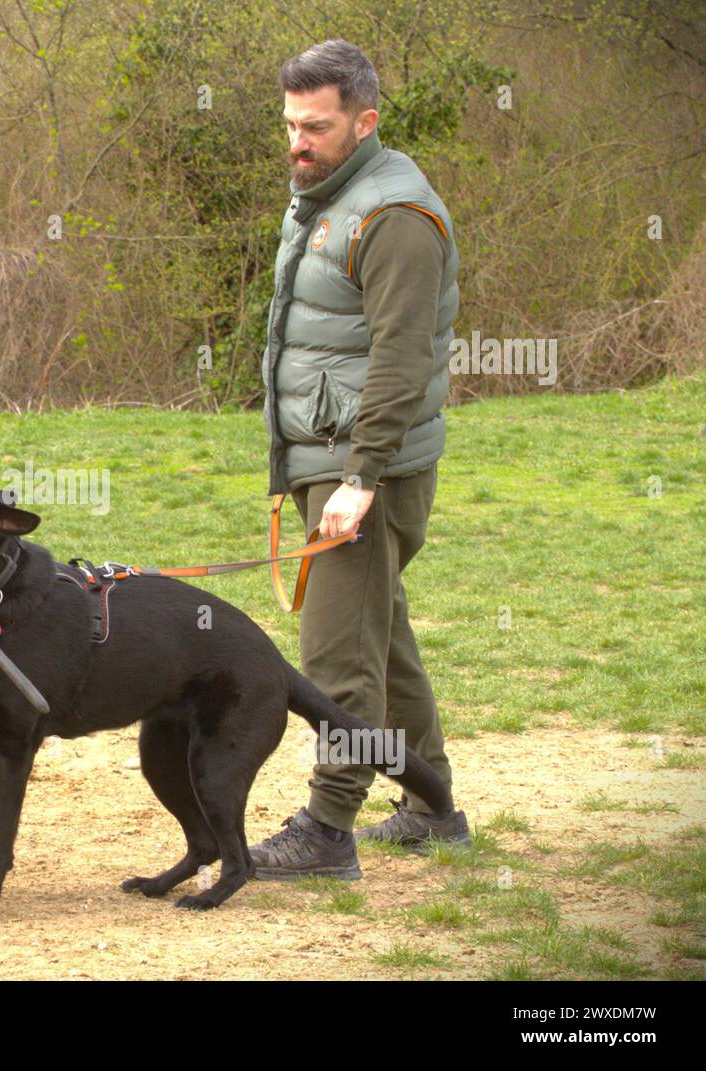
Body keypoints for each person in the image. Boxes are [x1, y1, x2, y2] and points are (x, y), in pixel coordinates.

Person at [249, 39, 471, 880]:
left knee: (337, 654)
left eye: (317, 125)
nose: (298, 142)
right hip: (333, 461)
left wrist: (358, 478)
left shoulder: (395, 217)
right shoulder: (324, 193)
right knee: (382, 637)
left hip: (364, 469)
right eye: (290, 125)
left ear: (365, 121)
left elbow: (400, 360)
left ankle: (327, 828)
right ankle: (432, 807)